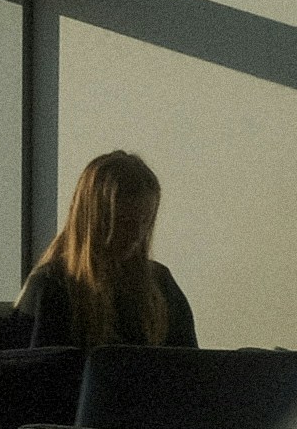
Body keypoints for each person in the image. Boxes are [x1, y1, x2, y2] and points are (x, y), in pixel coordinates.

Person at [19, 149, 198, 348]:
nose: (137, 235)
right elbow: (38, 376)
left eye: (145, 222)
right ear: (95, 220)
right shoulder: (52, 287)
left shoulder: (161, 284)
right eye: (124, 222)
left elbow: (190, 369)